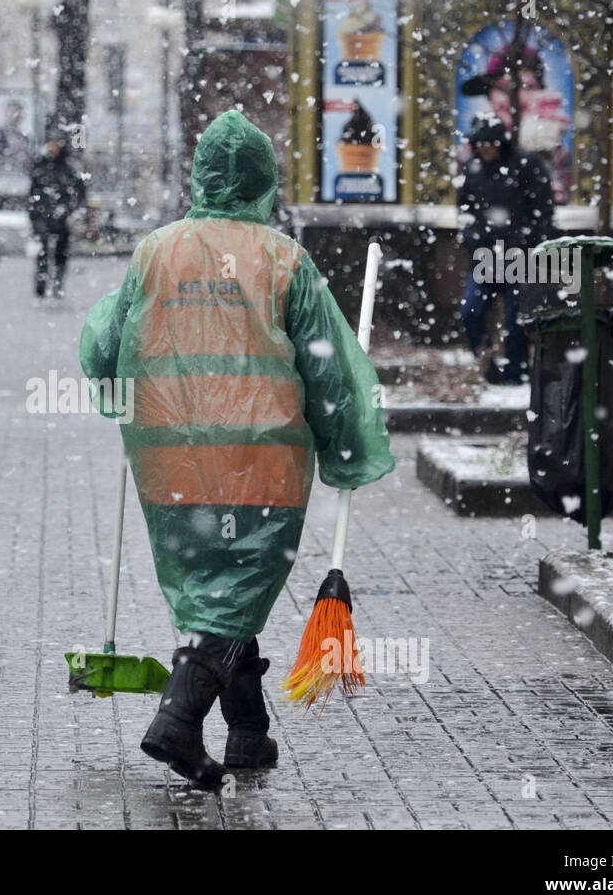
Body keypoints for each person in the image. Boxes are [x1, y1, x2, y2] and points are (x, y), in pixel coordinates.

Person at [79, 111, 395, 788]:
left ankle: (249, 735)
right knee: (236, 586)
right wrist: (345, 439)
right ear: (262, 181)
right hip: (261, 455)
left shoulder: (155, 251)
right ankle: (176, 723)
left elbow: (103, 341)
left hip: (169, 455)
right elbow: (328, 368)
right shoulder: (285, 259)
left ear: (199, 175)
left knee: (216, 589)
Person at [458, 111, 557, 385]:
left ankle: (516, 373)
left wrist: (534, 245)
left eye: (489, 143)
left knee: (517, 319)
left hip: (520, 255)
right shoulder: (473, 170)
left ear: (500, 142)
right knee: (471, 311)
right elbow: (464, 210)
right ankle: (488, 363)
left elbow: (543, 211)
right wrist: (473, 239)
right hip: (485, 256)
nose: (484, 149)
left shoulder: (526, 165)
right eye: (479, 144)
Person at [27, 129, 86, 298]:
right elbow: (33, 191)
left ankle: (58, 283)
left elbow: (80, 193)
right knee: (43, 248)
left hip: (62, 216)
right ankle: (41, 282)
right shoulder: (40, 165)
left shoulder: (69, 167)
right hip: (42, 214)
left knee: (61, 250)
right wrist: (34, 212)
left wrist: (73, 211)